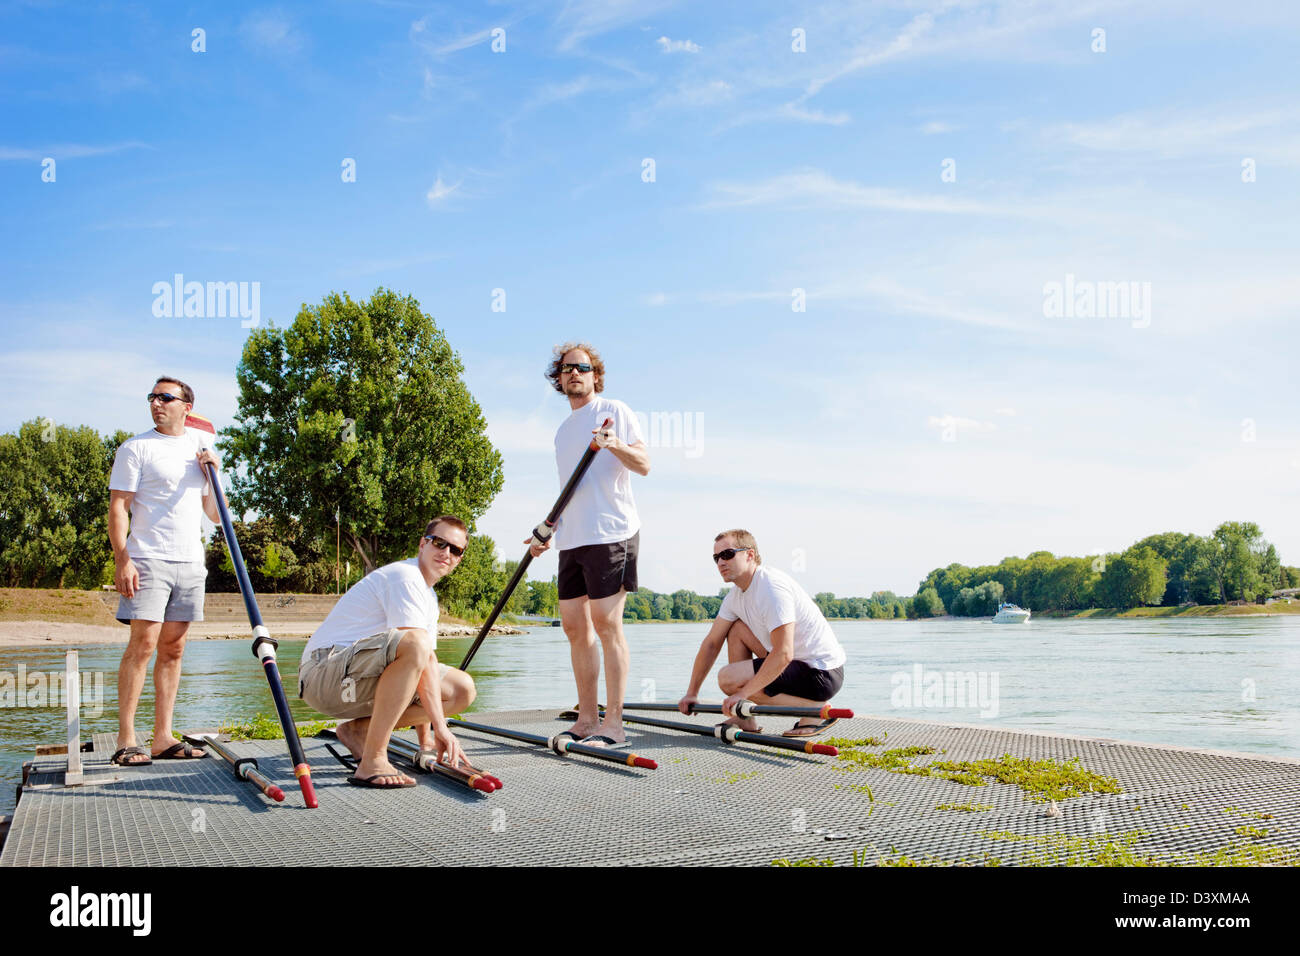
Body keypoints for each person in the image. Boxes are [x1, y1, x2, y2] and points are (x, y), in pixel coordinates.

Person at [527, 343, 649, 747]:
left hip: (611, 533)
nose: (574, 374)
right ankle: (585, 718)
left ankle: (613, 724)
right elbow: (571, 489)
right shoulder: (563, 432)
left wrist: (613, 443)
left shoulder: (614, 410)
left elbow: (644, 465)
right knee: (574, 628)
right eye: (566, 369)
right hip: (572, 539)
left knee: (607, 625)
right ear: (559, 380)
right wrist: (548, 527)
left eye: (581, 367)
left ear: (595, 375)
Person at [299, 516, 476, 787]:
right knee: (416, 643)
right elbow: (416, 650)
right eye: (440, 543)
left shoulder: (429, 596)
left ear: (460, 558)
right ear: (422, 544)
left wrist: (426, 738)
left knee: (461, 689)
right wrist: (441, 727)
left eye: (455, 549)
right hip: (324, 676)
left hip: (359, 678)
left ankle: (361, 731)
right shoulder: (405, 577)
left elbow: (422, 666)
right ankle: (372, 760)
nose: (446, 553)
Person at [108, 376, 220, 765]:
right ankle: (126, 738)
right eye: (153, 397)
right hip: (147, 559)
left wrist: (215, 475)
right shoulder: (135, 448)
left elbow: (214, 516)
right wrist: (123, 558)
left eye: (165, 397)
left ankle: (162, 737)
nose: (157, 403)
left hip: (191, 561)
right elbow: (119, 508)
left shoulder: (200, 448)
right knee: (143, 645)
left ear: (185, 407)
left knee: (173, 649)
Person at [678, 530, 847, 737]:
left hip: (820, 672)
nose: (720, 562)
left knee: (728, 679)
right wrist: (692, 693)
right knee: (736, 629)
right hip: (794, 664)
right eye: (716, 558)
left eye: (728, 554)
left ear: (749, 555)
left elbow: (784, 653)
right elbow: (712, 643)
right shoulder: (734, 597)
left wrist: (742, 694)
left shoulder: (771, 587)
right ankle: (745, 718)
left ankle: (817, 712)